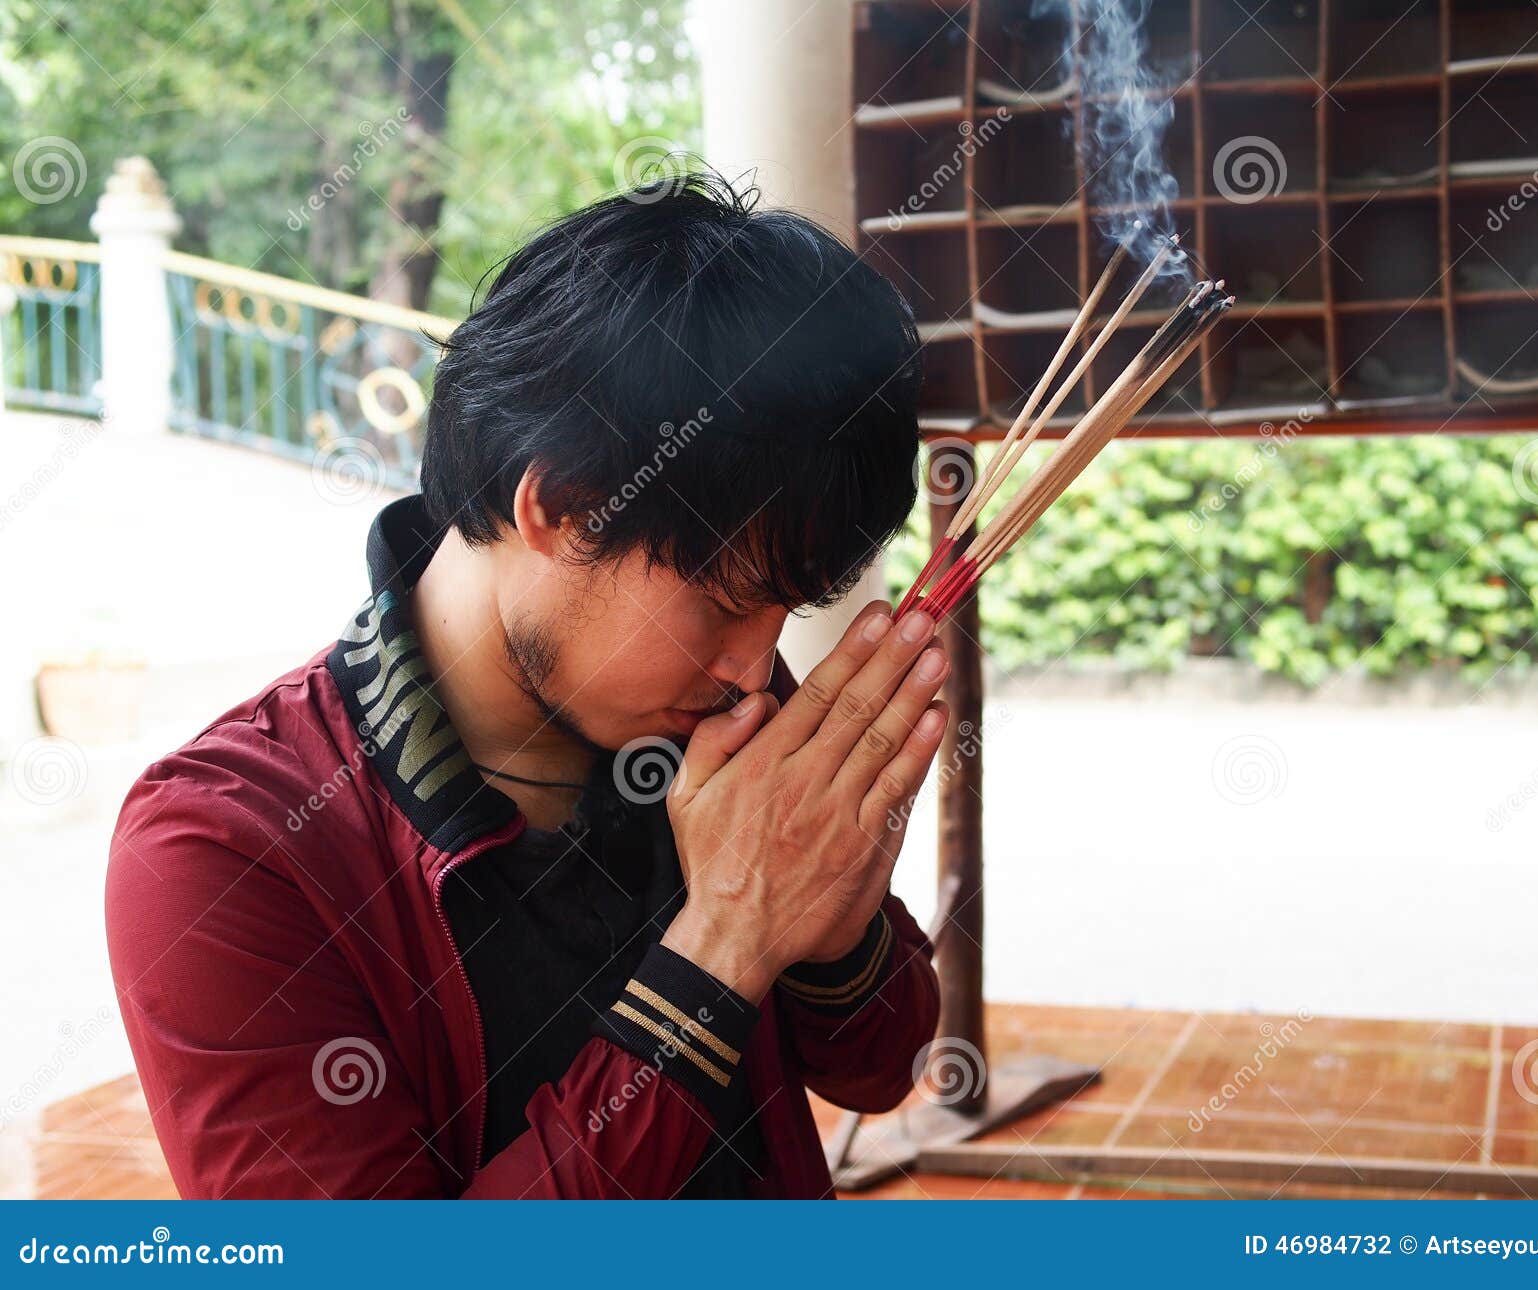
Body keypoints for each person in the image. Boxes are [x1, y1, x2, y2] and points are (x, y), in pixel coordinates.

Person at [106, 173, 948, 1199]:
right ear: (558, 505)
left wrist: (837, 913)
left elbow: (881, 1068)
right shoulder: (224, 851)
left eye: (784, 612)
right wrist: (723, 945)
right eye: (724, 604)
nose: (751, 668)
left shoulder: (709, 703)